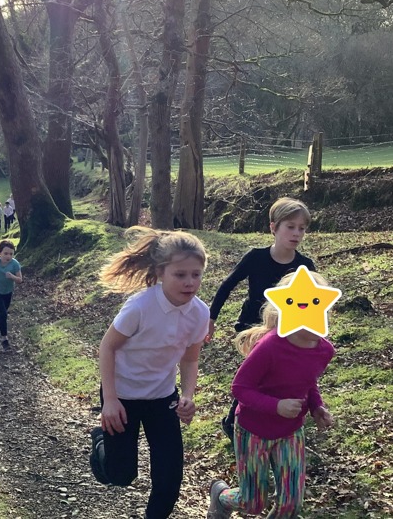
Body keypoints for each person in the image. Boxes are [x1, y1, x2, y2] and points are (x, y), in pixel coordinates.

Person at [89, 228, 209, 519]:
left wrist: (188, 395)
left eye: (196, 274)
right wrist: (110, 401)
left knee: (169, 478)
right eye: (180, 275)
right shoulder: (140, 307)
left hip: (162, 398)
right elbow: (107, 347)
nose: (189, 282)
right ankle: (100, 441)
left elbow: (190, 359)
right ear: (160, 272)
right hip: (123, 395)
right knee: (120, 475)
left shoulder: (200, 313)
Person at [207, 271, 336, 519]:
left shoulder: (324, 350)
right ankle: (221, 496)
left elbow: (307, 381)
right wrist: (276, 406)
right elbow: (240, 388)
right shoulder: (270, 347)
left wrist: (316, 406)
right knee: (252, 503)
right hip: (252, 430)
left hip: (291, 432)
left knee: (291, 504)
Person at [208, 197, 315, 439]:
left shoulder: (305, 266)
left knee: (278, 376)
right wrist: (211, 318)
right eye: (290, 226)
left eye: (302, 228)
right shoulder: (255, 257)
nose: (296, 233)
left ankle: (272, 417)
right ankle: (234, 420)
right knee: (255, 373)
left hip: (286, 330)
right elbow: (227, 285)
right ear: (273, 227)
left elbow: (313, 305)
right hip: (252, 327)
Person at [0, 240, 22, 350]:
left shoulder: (15, 264)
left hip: (8, 292)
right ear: (0, 253)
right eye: (6, 253)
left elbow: (20, 280)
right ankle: (5, 339)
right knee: (3, 313)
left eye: (11, 254)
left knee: (2, 313)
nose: (8, 256)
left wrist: (12, 277)